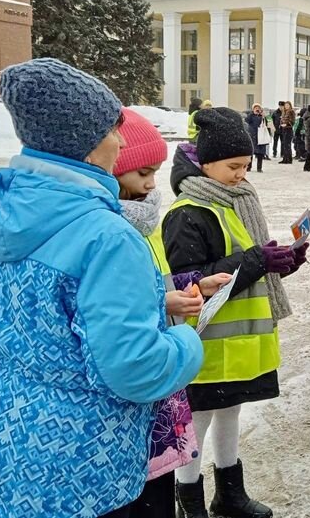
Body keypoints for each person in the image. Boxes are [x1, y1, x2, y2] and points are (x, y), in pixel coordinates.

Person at [0, 58, 204, 518]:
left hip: (7, 446)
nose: (121, 140)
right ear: (85, 145)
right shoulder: (107, 237)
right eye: (112, 129)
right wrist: (186, 342)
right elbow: (134, 370)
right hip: (83, 467)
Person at [163, 107, 310, 518]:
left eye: (246, 166)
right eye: (233, 166)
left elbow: (245, 264)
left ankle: (230, 493)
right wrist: (257, 261)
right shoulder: (187, 213)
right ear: (204, 163)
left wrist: (281, 261)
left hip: (238, 348)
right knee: (198, 425)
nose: (242, 175)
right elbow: (188, 282)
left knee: (229, 413)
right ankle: (190, 502)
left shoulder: (236, 201)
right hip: (204, 349)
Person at [114, 108, 234, 518]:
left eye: (155, 172)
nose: (151, 185)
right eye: (142, 174)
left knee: (157, 484)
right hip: (139, 380)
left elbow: (152, 285)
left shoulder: (143, 218)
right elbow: (113, 311)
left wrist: (188, 290)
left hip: (156, 376)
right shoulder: (110, 230)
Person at [245, 103, 270, 173]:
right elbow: (246, 121)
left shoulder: (262, 116)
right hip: (252, 136)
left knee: (260, 153)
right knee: (251, 153)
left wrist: (263, 117)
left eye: (258, 107)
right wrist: (252, 113)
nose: (257, 109)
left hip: (261, 136)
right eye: (255, 108)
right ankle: (249, 167)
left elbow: (266, 124)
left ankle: (259, 168)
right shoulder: (251, 116)